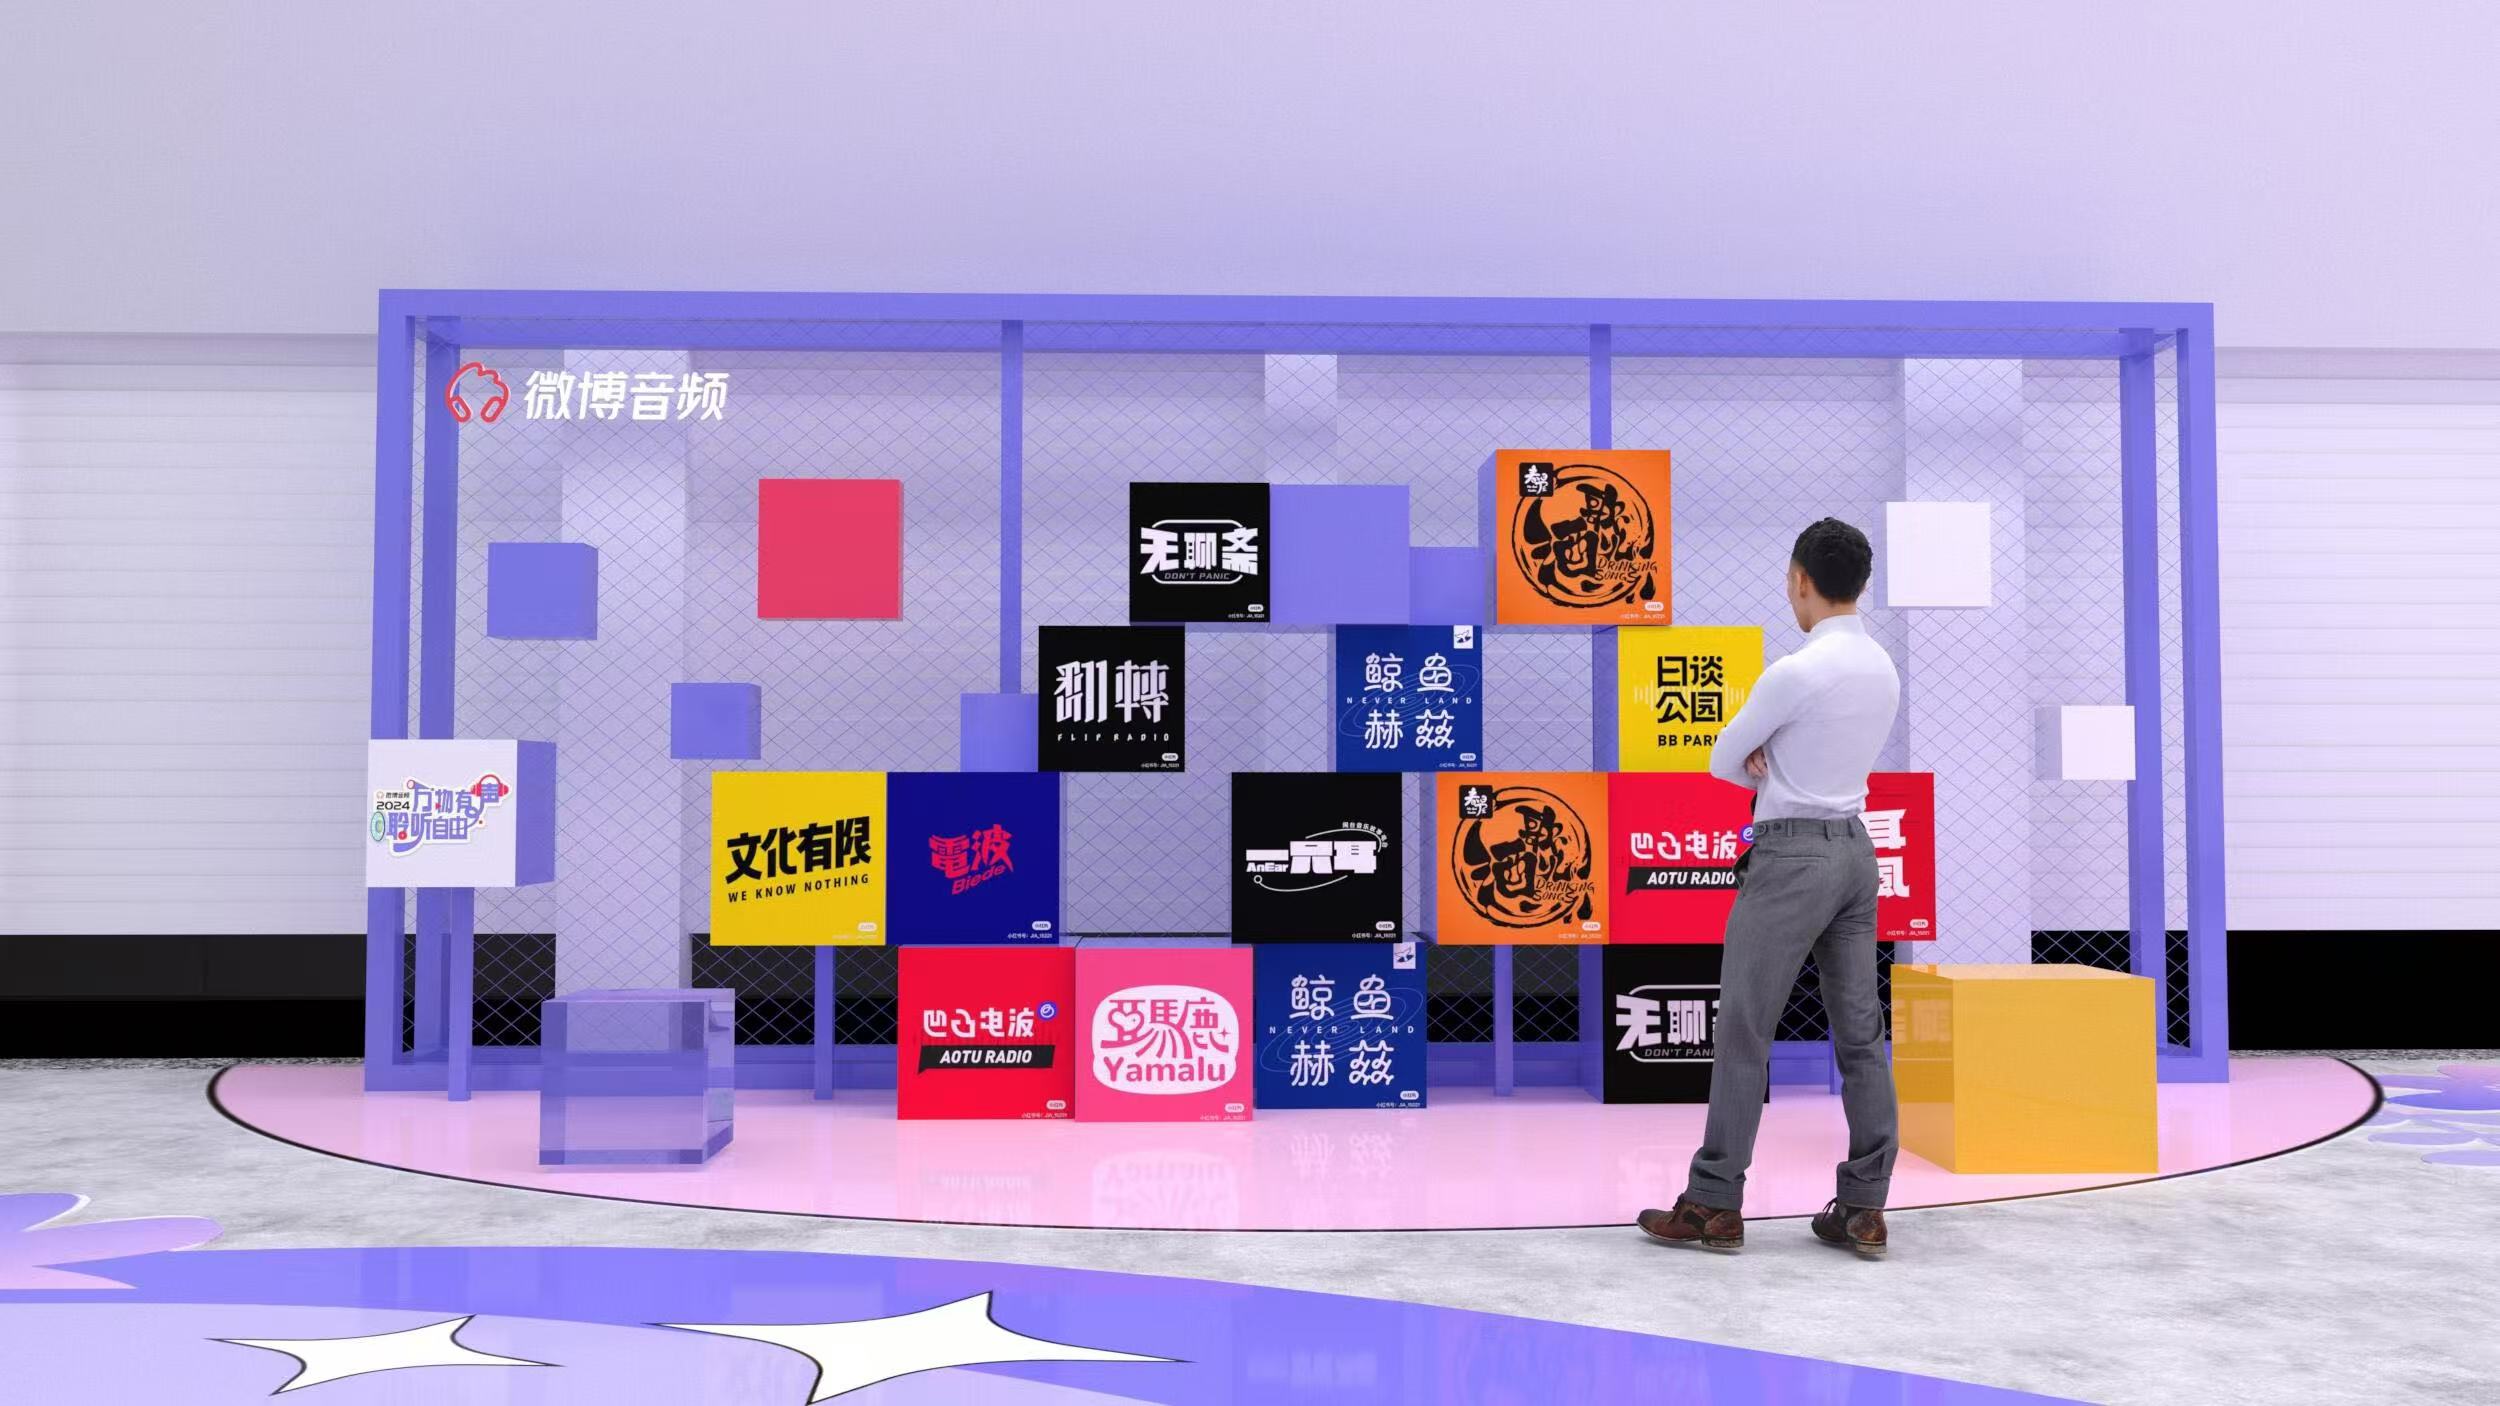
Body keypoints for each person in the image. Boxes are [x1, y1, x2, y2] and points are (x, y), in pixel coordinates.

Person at [1636, 517, 1903, 1259]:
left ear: (1800, 580)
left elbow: (1723, 759)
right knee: (1861, 1036)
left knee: (1746, 1031)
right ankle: (1865, 1208)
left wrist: (1765, 756)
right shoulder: (1882, 667)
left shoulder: (1795, 672)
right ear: (1862, 583)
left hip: (1789, 855)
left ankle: (1713, 1203)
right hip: (1856, 850)